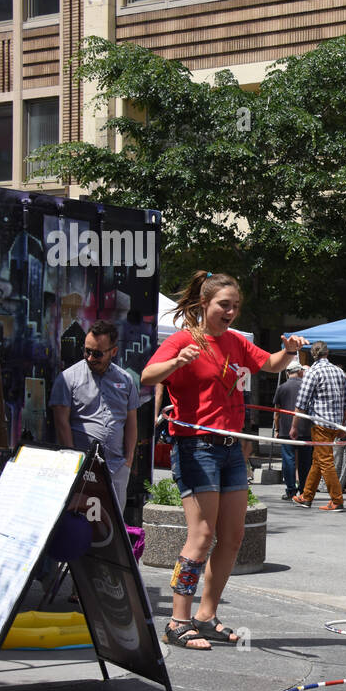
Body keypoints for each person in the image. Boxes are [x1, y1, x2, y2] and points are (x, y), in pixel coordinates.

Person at [142, 271, 305, 650]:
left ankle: (206, 616)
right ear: (204, 304)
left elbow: (272, 364)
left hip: (231, 447)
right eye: (224, 305)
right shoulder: (185, 340)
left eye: (235, 306)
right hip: (196, 446)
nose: (231, 312)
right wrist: (177, 362)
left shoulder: (234, 342)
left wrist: (291, 350)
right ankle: (177, 621)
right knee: (201, 536)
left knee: (231, 537)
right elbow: (148, 376)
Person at [50, 319, 144, 510]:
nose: (91, 358)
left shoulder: (125, 380)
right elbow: (61, 422)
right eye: (87, 351)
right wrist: (72, 460)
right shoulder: (68, 378)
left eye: (98, 353)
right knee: (79, 521)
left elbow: (131, 421)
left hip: (116, 466)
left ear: (114, 352)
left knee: (113, 527)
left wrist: (129, 458)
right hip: (82, 466)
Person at [291, 342, 346, 512]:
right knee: (318, 460)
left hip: (321, 424)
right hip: (335, 423)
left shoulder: (313, 372)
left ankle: (337, 500)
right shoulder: (339, 372)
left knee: (325, 461)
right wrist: (341, 426)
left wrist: (294, 426)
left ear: (313, 354)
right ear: (327, 352)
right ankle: (307, 496)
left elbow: (301, 402)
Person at [274, 361, 310, 500]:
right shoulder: (306, 387)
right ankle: (304, 490)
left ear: (287, 373)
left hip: (285, 429)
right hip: (305, 429)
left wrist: (277, 429)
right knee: (305, 461)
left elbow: (277, 412)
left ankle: (290, 490)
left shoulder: (281, 387)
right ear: (300, 372)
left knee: (288, 460)